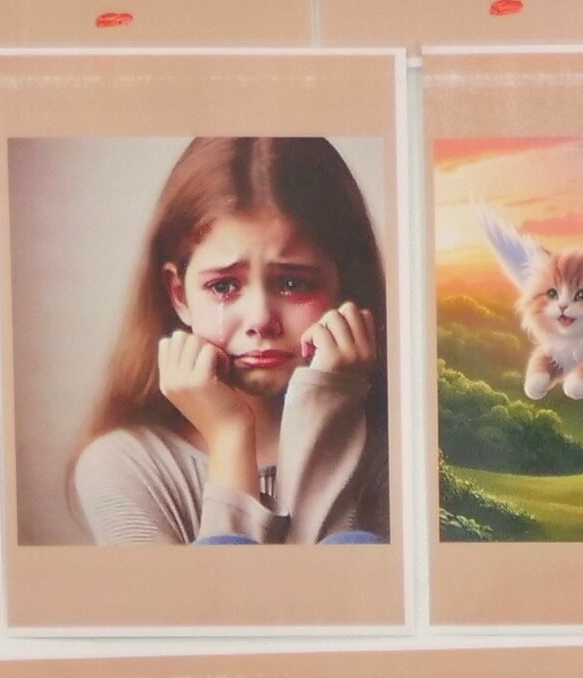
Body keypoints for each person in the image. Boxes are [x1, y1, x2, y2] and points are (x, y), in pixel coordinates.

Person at [68, 137, 389, 548]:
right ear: (179, 295)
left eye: (293, 284)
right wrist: (229, 437)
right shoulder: (122, 465)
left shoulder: (400, 451)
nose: (260, 320)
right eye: (223, 286)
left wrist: (328, 412)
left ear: (344, 287)